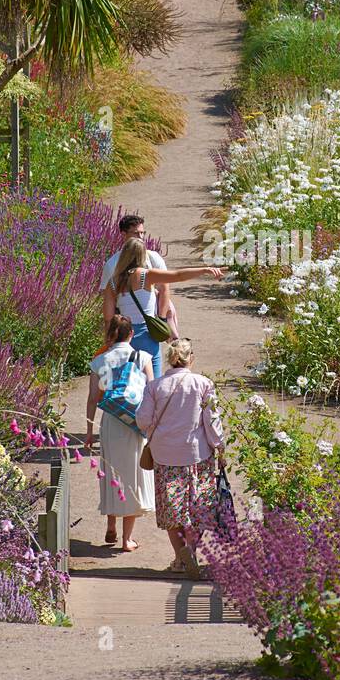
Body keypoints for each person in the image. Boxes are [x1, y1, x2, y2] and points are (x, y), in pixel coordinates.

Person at [135, 339, 226, 578]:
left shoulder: (155, 386)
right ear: (191, 358)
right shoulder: (204, 384)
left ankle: (179, 556)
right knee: (199, 507)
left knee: (173, 510)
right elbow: (212, 421)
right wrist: (220, 447)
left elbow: (143, 420)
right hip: (198, 454)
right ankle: (191, 553)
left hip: (165, 455)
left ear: (169, 359)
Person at [85, 314, 156, 552]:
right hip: (135, 422)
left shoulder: (99, 361)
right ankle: (127, 539)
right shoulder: (143, 357)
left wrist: (88, 430)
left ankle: (111, 524)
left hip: (111, 422)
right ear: (131, 334)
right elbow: (151, 393)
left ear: (110, 335)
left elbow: (93, 398)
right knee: (132, 476)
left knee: (111, 473)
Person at [103, 239, 223, 377]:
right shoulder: (146, 275)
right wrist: (205, 270)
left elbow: (108, 318)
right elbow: (178, 275)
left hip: (123, 335)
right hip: (146, 334)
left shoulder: (112, 283)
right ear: (143, 255)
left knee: (127, 379)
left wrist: (109, 342)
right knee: (153, 381)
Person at [101, 214, 178, 338]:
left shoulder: (153, 257)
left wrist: (161, 319)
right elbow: (108, 298)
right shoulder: (112, 264)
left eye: (143, 233)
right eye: (136, 233)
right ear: (123, 234)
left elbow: (164, 289)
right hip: (127, 315)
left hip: (154, 309)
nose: (141, 237)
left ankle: (178, 349)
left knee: (170, 310)